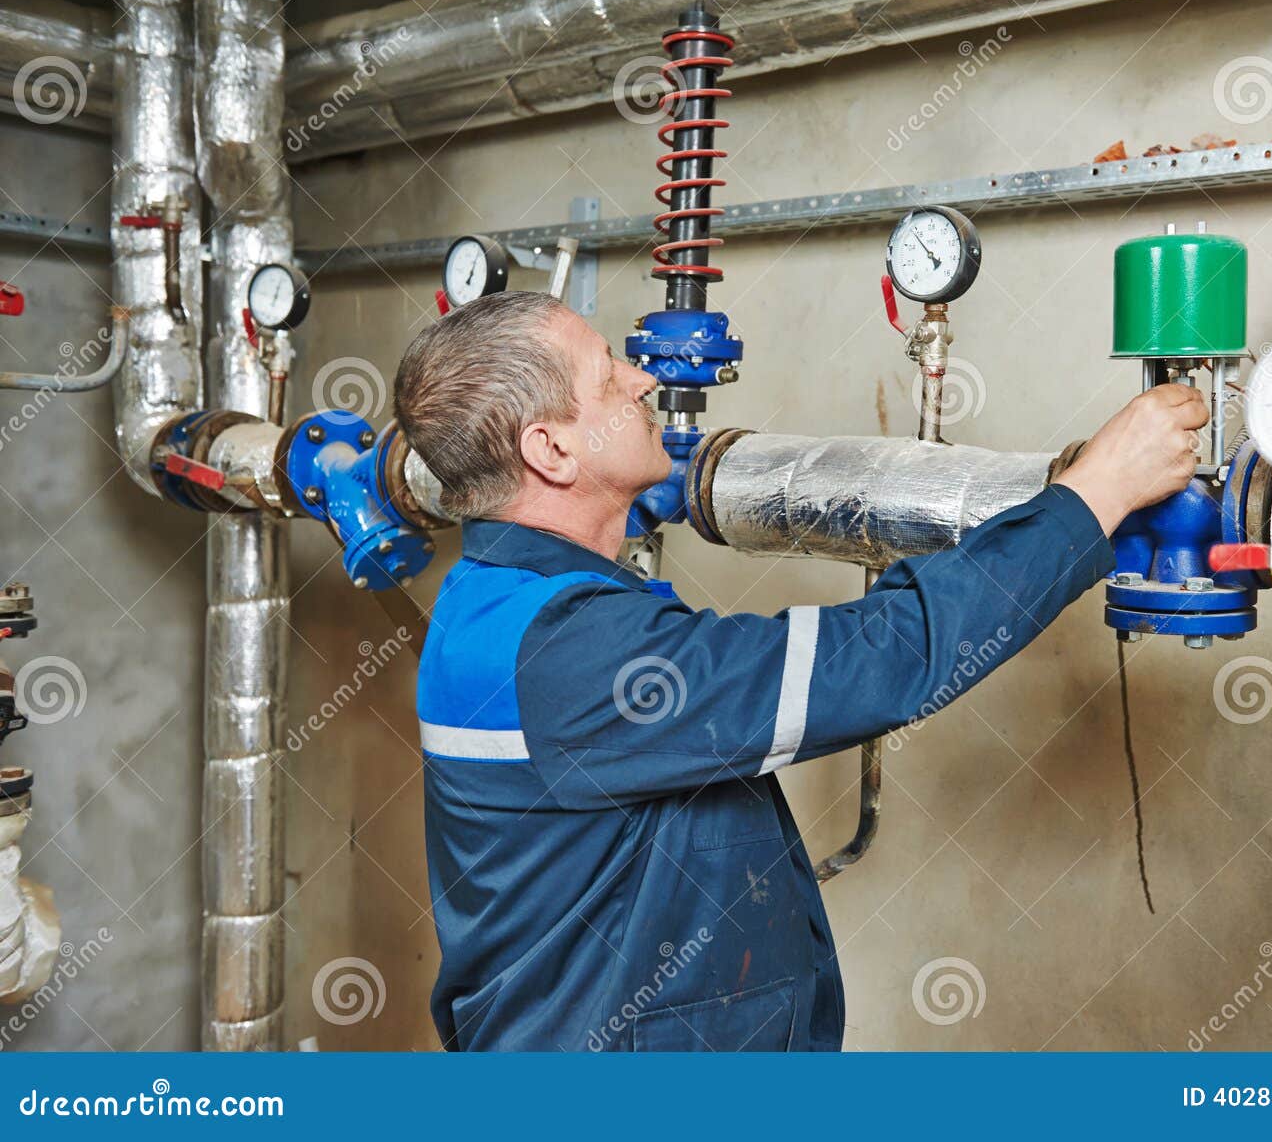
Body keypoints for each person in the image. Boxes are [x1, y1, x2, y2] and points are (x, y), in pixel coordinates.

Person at [394, 289, 1206, 1051]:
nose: (641, 380)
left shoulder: (486, 601)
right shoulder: (568, 649)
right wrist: (1095, 492)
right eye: (609, 377)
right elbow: (879, 659)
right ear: (550, 449)